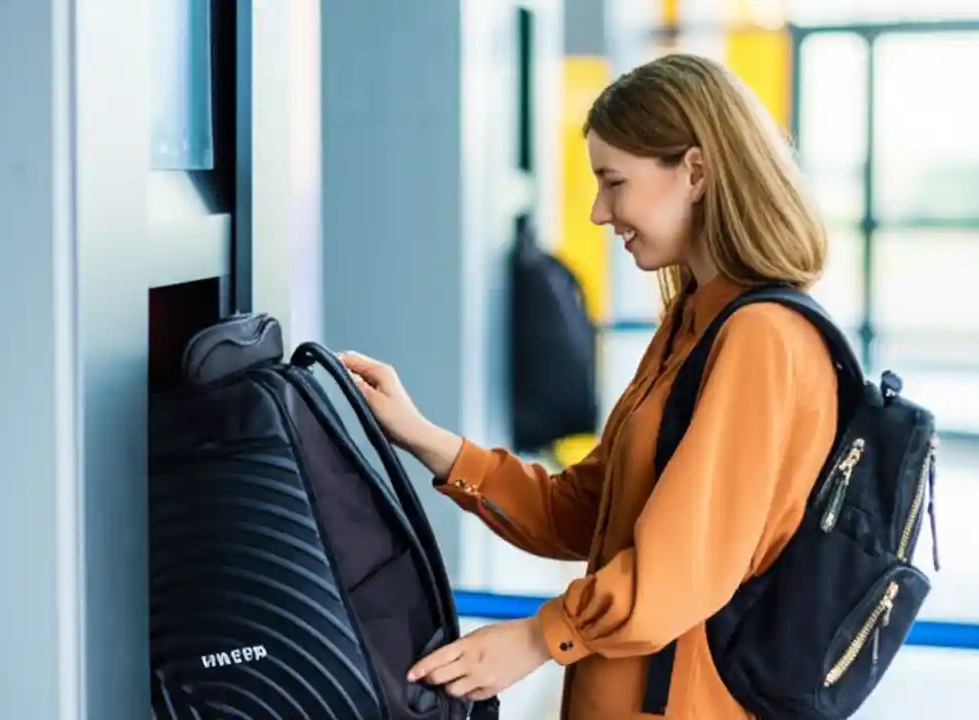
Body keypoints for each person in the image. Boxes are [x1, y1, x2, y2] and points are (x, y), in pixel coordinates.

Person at [339, 52, 838, 720]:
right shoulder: (693, 322)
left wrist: (537, 638)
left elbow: (678, 573)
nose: (600, 212)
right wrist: (425, 440)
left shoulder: (762, 340)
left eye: (614, 182)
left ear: (694, 171)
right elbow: (582, 513)